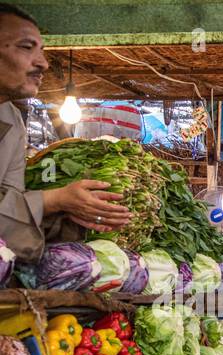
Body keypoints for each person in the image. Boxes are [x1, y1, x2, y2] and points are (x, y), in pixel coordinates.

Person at [0, 4, 131, 260]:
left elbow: (8, 219)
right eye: (26, 48)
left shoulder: (12, 119)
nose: (43, 64)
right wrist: (54, 200)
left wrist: (67, 218)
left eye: (43, 51)